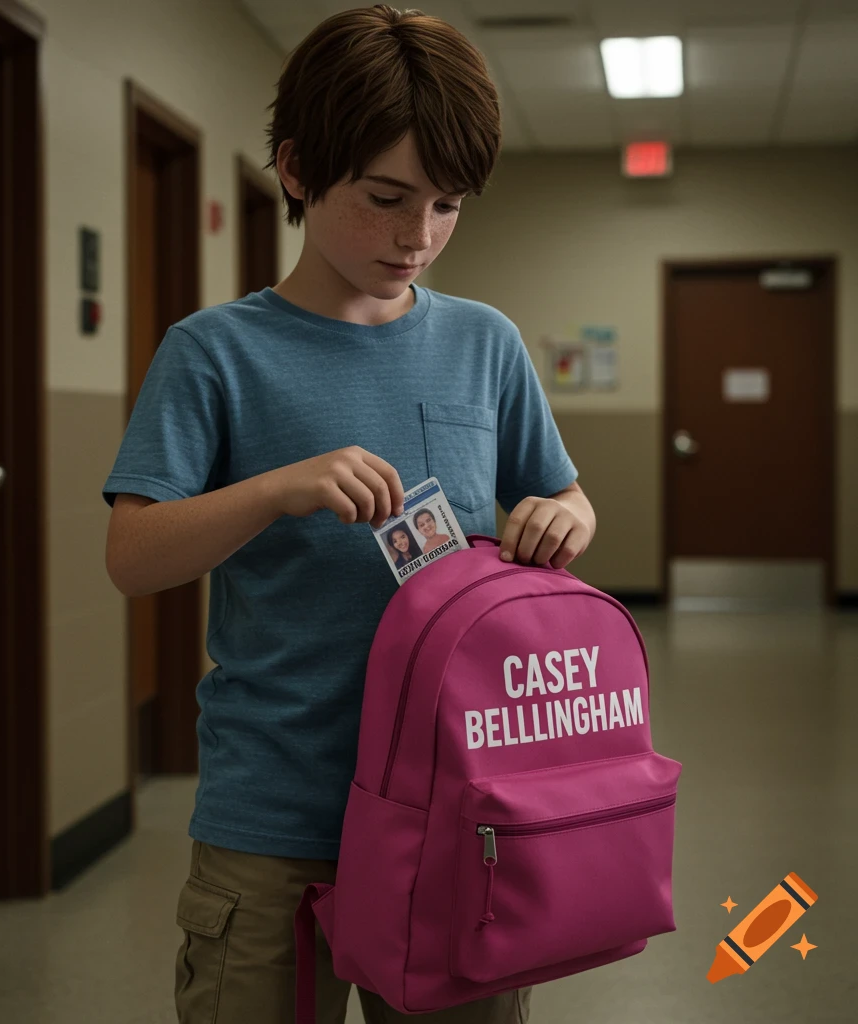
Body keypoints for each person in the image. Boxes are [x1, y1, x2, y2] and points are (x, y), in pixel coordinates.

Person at [102, 6, 596, 1022]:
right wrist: (279, 487)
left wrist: (561, 518)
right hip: (275, 817)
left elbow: (565, 493)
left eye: (447, 206)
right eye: (386, 198)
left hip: (456, 807)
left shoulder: (485, 343)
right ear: (295, 168)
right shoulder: (212, 353)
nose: (417, 237)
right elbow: (132, 556)